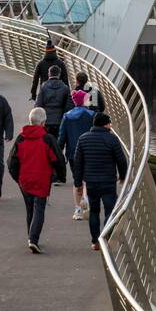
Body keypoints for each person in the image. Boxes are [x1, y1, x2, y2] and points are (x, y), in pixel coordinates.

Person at [7, 107, 65, 253]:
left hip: (25, 180)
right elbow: (58, 159)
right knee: (39, 209)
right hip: (42, 179)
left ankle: (30, 237)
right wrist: (60, 176)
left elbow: (11, 161)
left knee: (29, 208)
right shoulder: (47, 139)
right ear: (43, 122)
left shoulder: (21, 138)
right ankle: (33, 239)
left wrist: (17, 178)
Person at [72, 112, 128, 251]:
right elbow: (121, 160)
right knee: (110, 210)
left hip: (91, 182)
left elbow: (78, 163)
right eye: (109, 123)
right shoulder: (112, 139)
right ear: (105, 124)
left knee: (94, 211)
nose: (110, 125)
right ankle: (106, 237)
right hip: (108, 181)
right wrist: (123, 176)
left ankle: (95, 242)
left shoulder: (83, 139)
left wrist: (78, 183)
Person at [57, 91, 96, 220]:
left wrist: (59, 152)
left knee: (77, 180)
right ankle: (88, 202)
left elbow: (62, 137)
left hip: (73, 153)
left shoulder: (67, 116)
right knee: (88, 179)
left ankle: (78, 209)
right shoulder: (92, 115)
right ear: (84, 101)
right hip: (90, 151)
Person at [35, 64, 71, 153]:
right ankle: (57, 161)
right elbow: (68, 107)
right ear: (59, 74)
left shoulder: (44, 86)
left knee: (46, 144)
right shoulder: (65, 88)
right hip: (59, 121)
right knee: (57, 146)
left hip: (46, 121)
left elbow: (38, 105)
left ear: (49, 74)